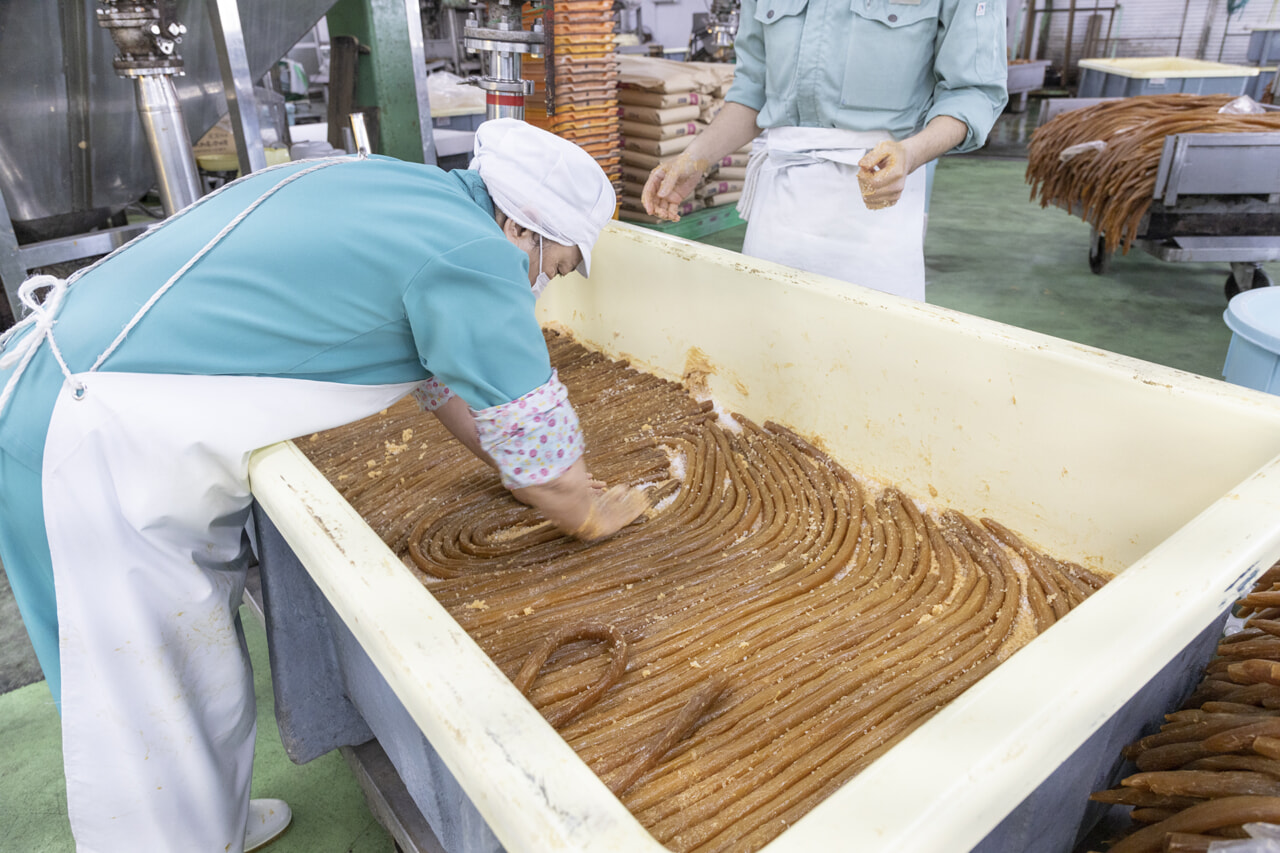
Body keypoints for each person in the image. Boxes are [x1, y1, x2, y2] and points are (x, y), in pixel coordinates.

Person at [0, 118, 645, 853]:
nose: (549, 281)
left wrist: (524, 470)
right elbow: (538, 436)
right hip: (94, 430)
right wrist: (584, 508)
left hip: (92, 392)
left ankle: (209, 825)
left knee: (189, 653)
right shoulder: (474, 253)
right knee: (136, 695)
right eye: (557, 265)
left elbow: (453, 386)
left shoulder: (413, 195)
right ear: (523, 228)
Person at [642, 0, 1009, 301]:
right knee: (769, 347)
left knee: (866, 353)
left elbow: (973, 92)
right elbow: (754, 89)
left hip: (876, 199)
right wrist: (695, 158)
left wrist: (911, 154)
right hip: (780, 207)